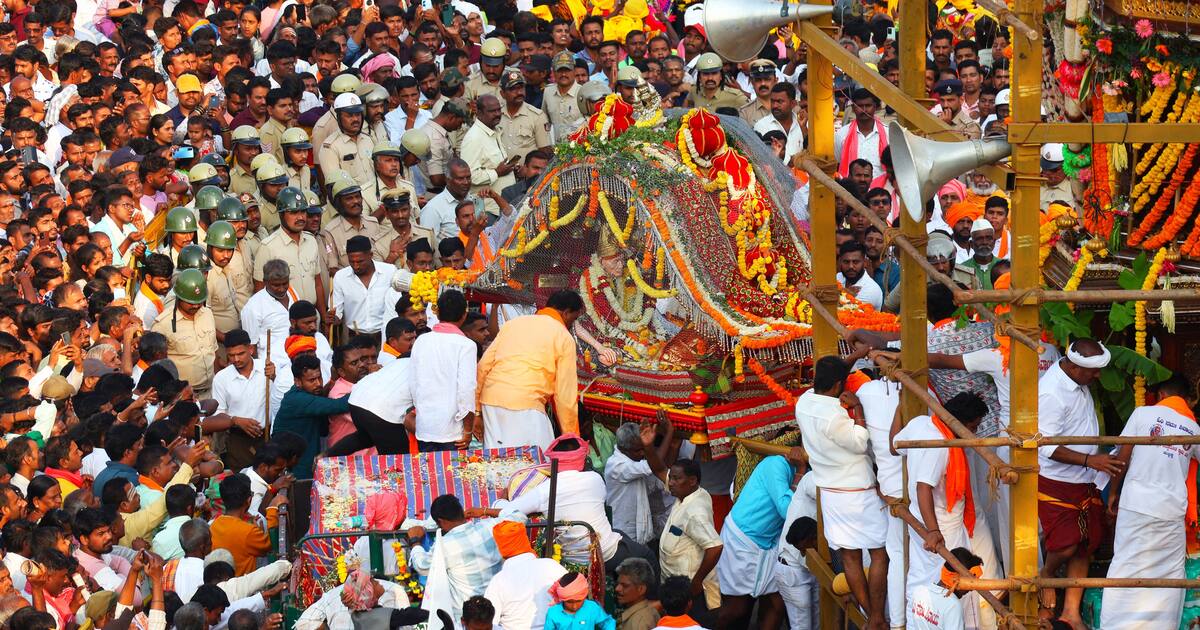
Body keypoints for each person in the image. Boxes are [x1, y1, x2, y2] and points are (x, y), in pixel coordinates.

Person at [795, 355, 888, 630]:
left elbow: (833, 374)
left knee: (850, 556)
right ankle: (877, 617)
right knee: (880, 553)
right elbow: (860, 443)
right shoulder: (834, 414)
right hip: (857, 492)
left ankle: (870, 615)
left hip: (831, 492)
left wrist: (857, 356)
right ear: (838, 385)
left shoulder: (804, 402)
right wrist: (857, 408)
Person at [1101, 374, 1200, 629]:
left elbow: (1122, 456)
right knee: (1167, 576)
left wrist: (1113, 492)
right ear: (1185, 401)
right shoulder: (1194, 427)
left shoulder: (1142, 414)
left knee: (1126, 567)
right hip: (1171, 511)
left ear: (1161, 396)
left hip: (1136, 505)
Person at [893, 392, 999, 629]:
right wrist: (933, 531)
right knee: (953, 586)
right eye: (974, 426)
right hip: (941, 529)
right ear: (960, 422)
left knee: (922, 580)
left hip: (928, 523)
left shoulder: (920, 423)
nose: (974, 432)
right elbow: (923, 488)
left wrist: (900, 407)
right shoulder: (941, 445)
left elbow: (894, 446)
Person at [1038, 340, 1123, 628]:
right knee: (1066, 543)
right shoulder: (1051, 392)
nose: (1097, 376)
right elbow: (1045, 447)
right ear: (1073, 367)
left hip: (1087, 478)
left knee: (1086, 544)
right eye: (1092, 371)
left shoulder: (1079, 379)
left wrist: (1095, 463)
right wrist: (1091, 461)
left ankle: (1071, 613)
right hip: (1058, 479)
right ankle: (1046, 575)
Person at [476, 289, 583, 449]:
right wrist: (571, 438)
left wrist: (477, 410)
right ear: (566, 313)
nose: (571, 325)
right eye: (573, 319)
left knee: (496, 464)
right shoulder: (563, 336)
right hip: (527, 405)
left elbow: (483, 366)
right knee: (538, 465)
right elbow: (565, 395)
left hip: (491, 402)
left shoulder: (514, 324)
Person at [409, 495, 506, 622]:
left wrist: (415, 542)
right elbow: (517, 514)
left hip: (469, 617)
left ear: (441, 522)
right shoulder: (490, 526)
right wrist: (484, 511)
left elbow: (422, 565)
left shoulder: (444, 545)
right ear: (462, 512)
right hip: (498, 610)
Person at [410, 290, 477, 451]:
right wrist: (468, 430)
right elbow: (466, 390)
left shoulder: (421, 340)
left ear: (437, 312)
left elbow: (413, 383)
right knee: (452, 475)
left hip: (425, 425)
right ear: (464, 315)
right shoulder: (466, 345)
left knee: (429, 475)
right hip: (451, 431)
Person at [659, 458, 722, 623]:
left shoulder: (695, 512)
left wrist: (696, 582)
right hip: (675, 586)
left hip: (690, 592)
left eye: (676, 478)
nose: (670, 483)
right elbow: (658, 469)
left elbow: (715, 547)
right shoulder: (690, 492)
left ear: (692, 480)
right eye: (670, 478)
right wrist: (648, 446)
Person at [482, 519, 567, 630]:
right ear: (525, 540)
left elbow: (488, 623)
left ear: (501, 549)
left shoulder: (498, 581)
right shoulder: (551, 565)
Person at [604, 420, 675, 546]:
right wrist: (669, 433)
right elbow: (653, 465)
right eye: (638, 450)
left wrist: (674, 446)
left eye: (644, 449)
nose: (643, 453)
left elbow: (661, 471)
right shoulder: (617, 465)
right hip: (623, 529)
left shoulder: (634, 460)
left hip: (641, 528)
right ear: (624, 449)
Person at [907, 548, 983, 630]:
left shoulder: (919, 592)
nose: (971, 589)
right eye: (970, 583)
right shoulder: (952, 606)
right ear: (957, 579)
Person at [543, 572, 615, 630]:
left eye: (579, 601)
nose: (574, 606)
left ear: (584, 596)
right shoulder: (553, 612)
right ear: (563, 598)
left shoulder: (592, 608)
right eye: (569, 602)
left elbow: (608, 622)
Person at [614, 558, 660, 630]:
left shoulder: (639, 623)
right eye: (618, 584)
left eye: (625, 586)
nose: (617, 588)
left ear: (641, 589)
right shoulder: (647, 612)